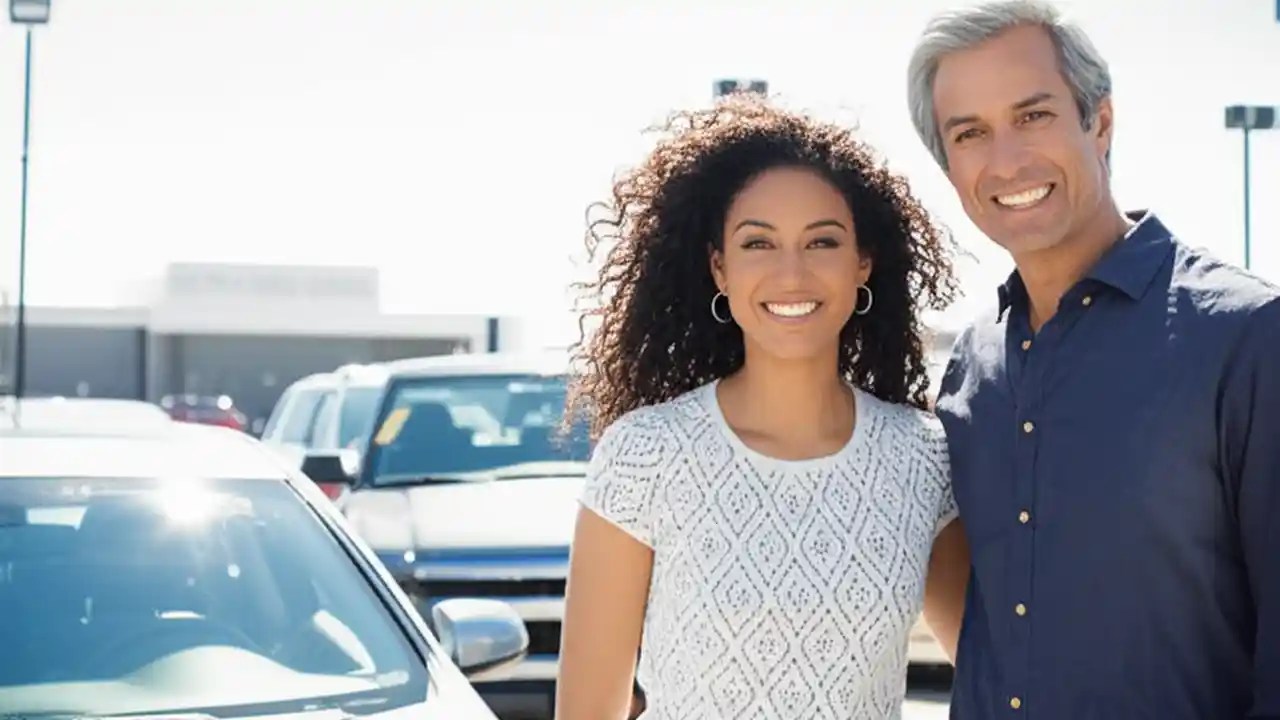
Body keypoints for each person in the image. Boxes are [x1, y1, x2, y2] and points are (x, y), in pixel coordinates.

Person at [908, 1, 1280, 718]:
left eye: (1034, 115)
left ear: (1099, 122)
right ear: (949, 166)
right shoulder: (970, 368)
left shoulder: (1247, 336)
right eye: (971, 133)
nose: (1007, 158)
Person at [555, 94, 972, 720]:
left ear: (863, 264)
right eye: (758, 244)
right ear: (719, 269)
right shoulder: (646, 456)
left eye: (822, 242)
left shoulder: (922, 458)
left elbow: (1001, 670)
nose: (792, 274)